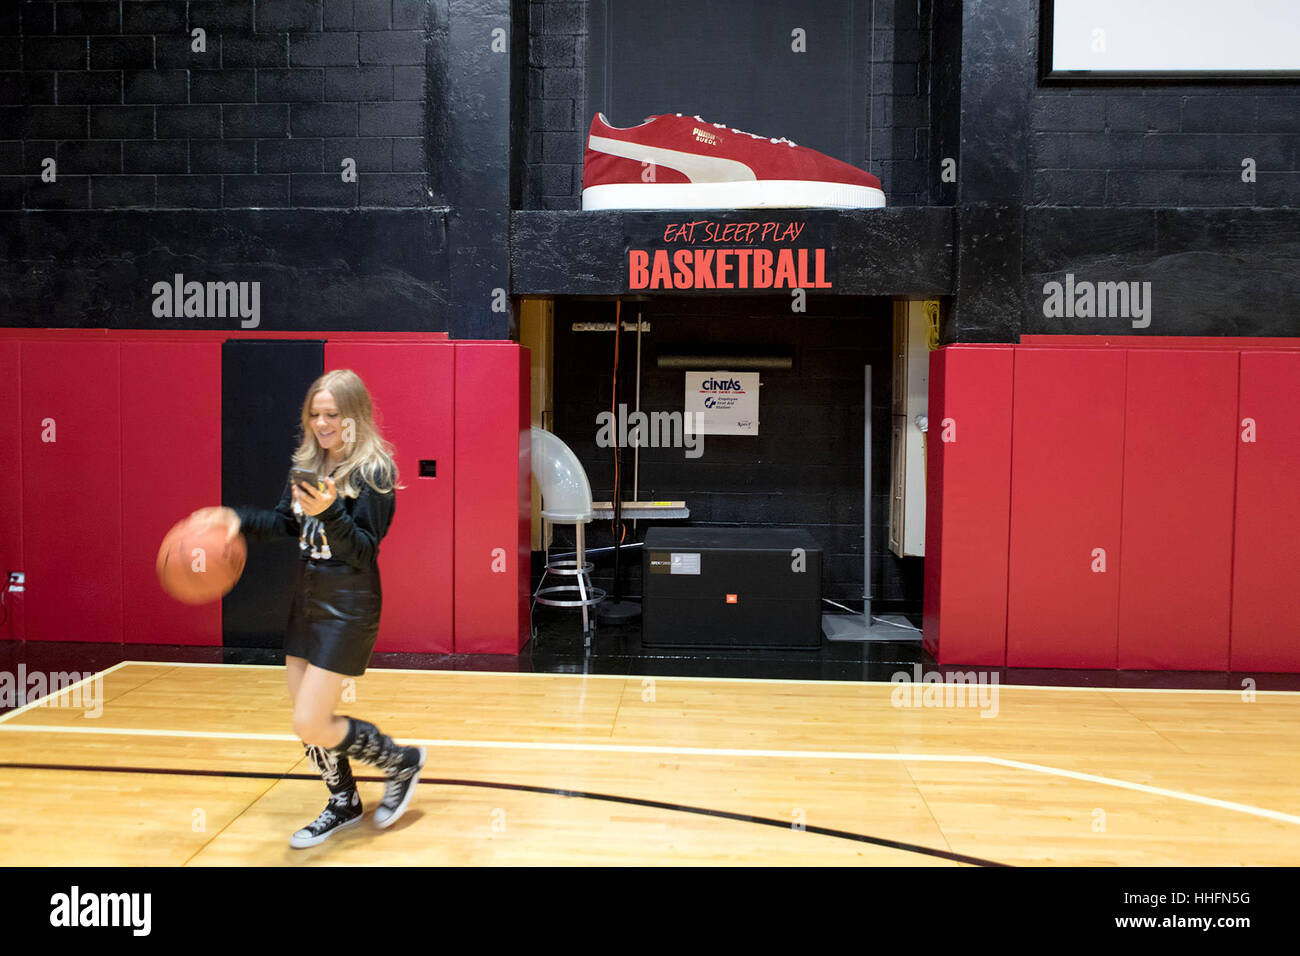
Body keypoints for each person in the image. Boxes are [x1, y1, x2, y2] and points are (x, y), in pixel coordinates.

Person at [191, 368, 425, 848]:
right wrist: (232, 518)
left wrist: (330, 511)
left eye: (332, 415)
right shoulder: (308, 467)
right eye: (315, 414)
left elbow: (363, 550)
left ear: (354, 416)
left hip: (350, 605)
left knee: (311, 720)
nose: (322, 424)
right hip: (308, 599)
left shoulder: (374, 471)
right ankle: (343, 801)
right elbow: (283, 523)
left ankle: (400, 761)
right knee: (304, 717)